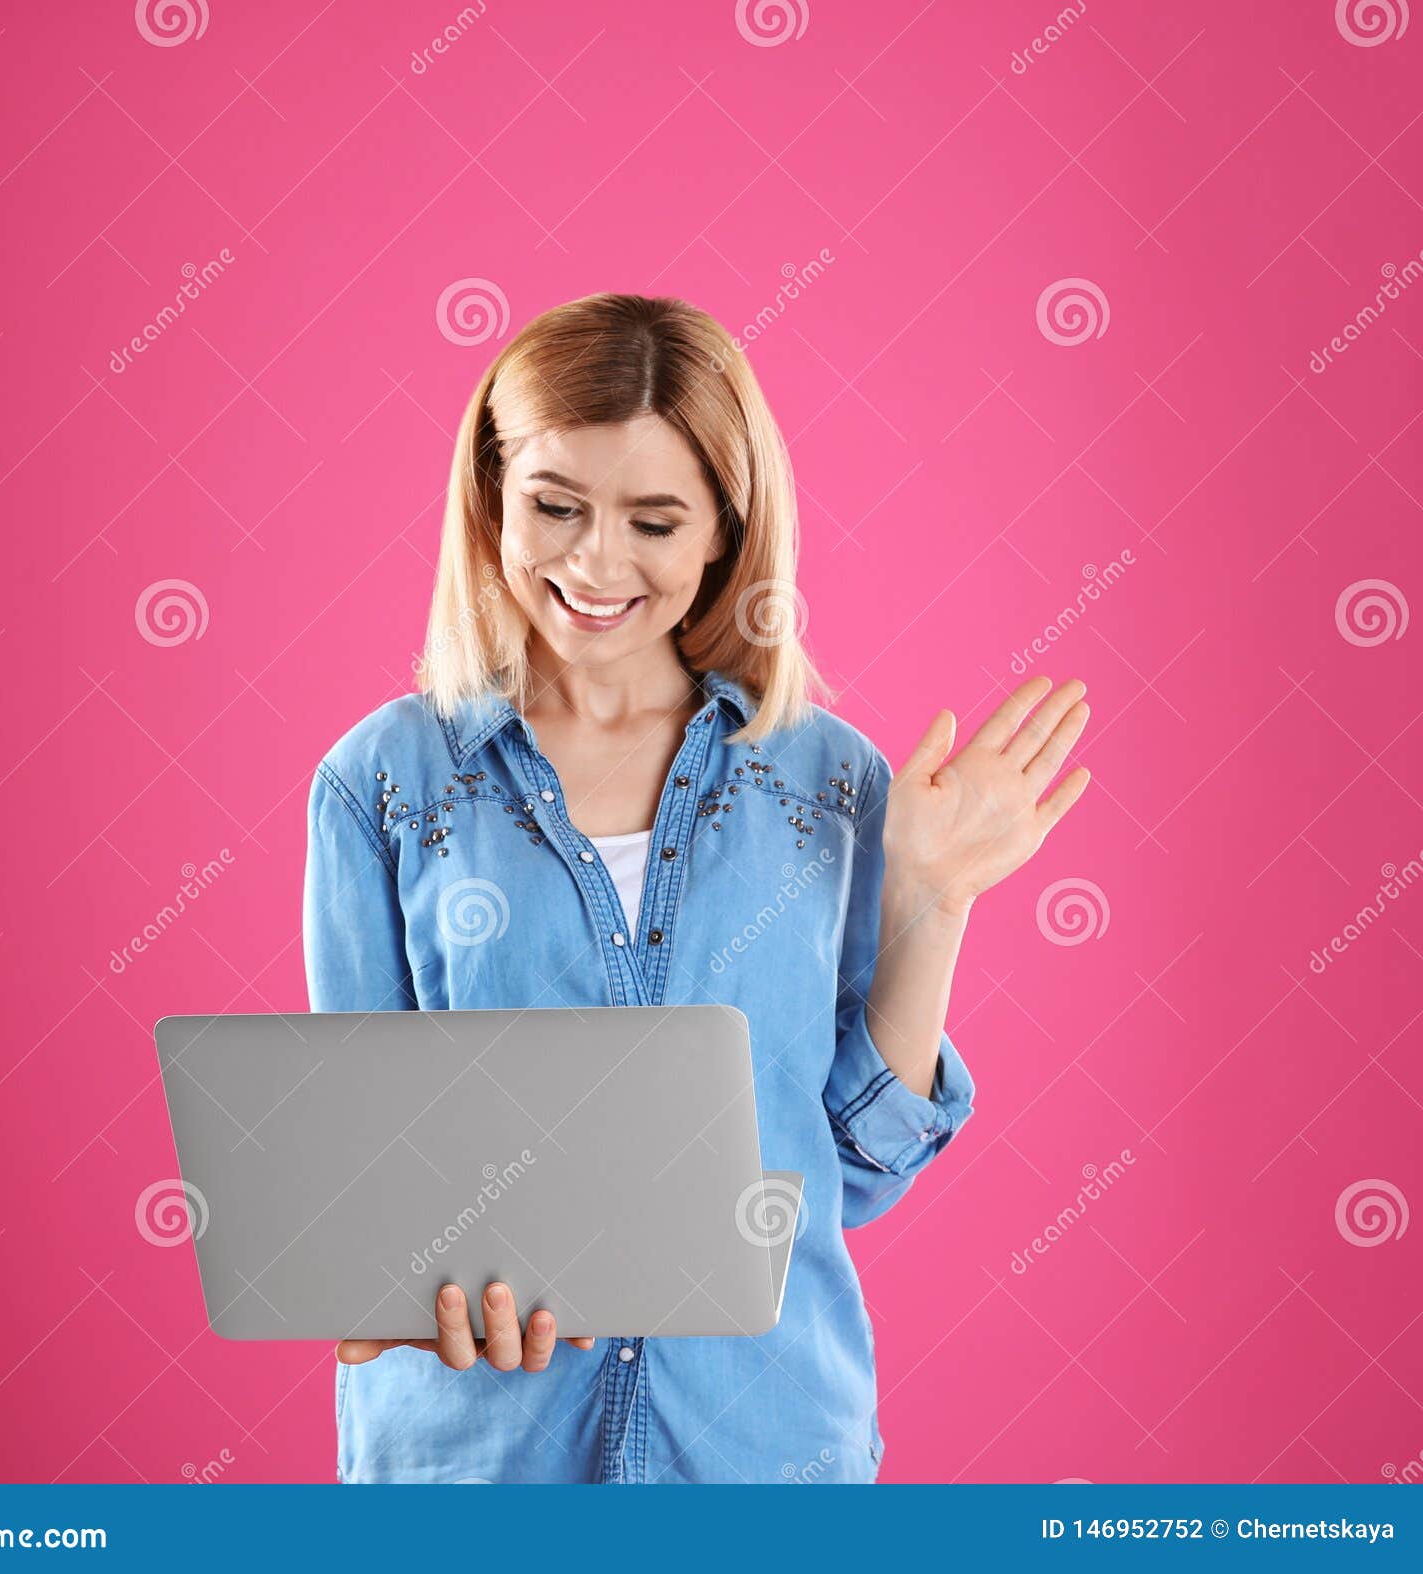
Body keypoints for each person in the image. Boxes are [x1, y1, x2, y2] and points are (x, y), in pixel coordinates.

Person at [303, 293, 1091, 1483]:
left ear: (726, 528)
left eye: (654, 521)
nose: (594, 563)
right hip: (471, 1464)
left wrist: (932, 896)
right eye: (554, 507)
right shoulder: (381, 784)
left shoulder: (828, 783)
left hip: (762, 1456)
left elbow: (853, 1170)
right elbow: (362, 1176)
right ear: (490, 496)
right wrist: (408, 1288)